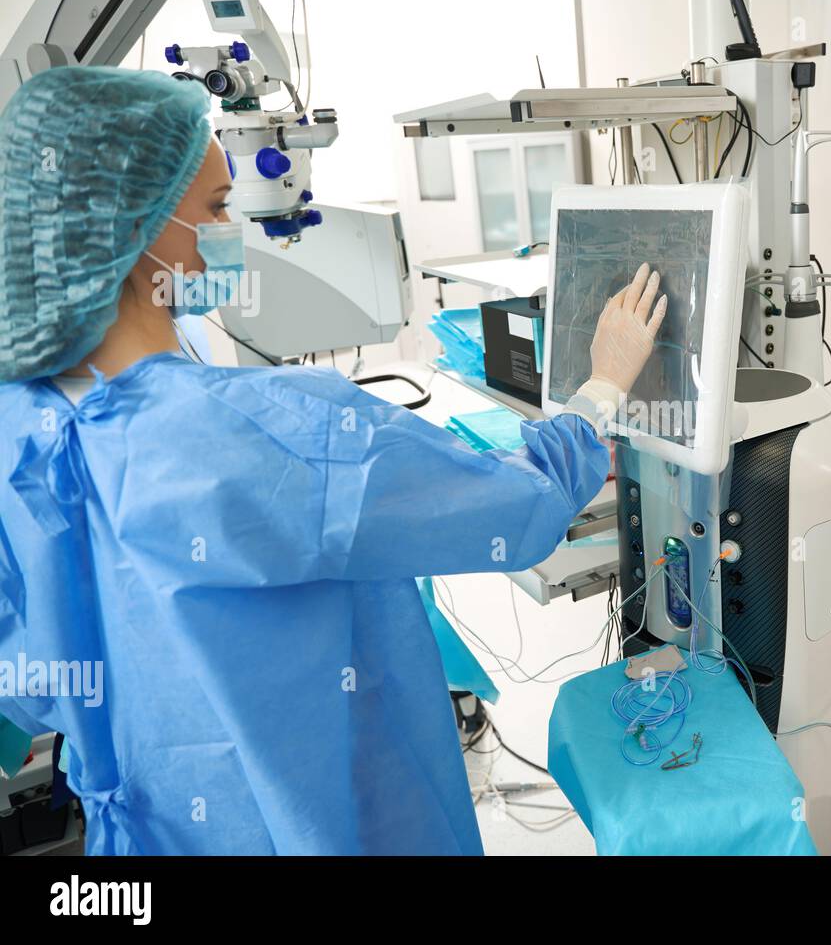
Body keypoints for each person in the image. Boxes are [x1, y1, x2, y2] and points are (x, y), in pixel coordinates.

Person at [0, 66, 666, 854]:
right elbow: (519, 513)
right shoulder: (266, 433)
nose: (232, 227)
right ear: (137, 228)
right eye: (216, 209)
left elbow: (35, 695)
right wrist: (602, 388)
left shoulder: (20, 424)